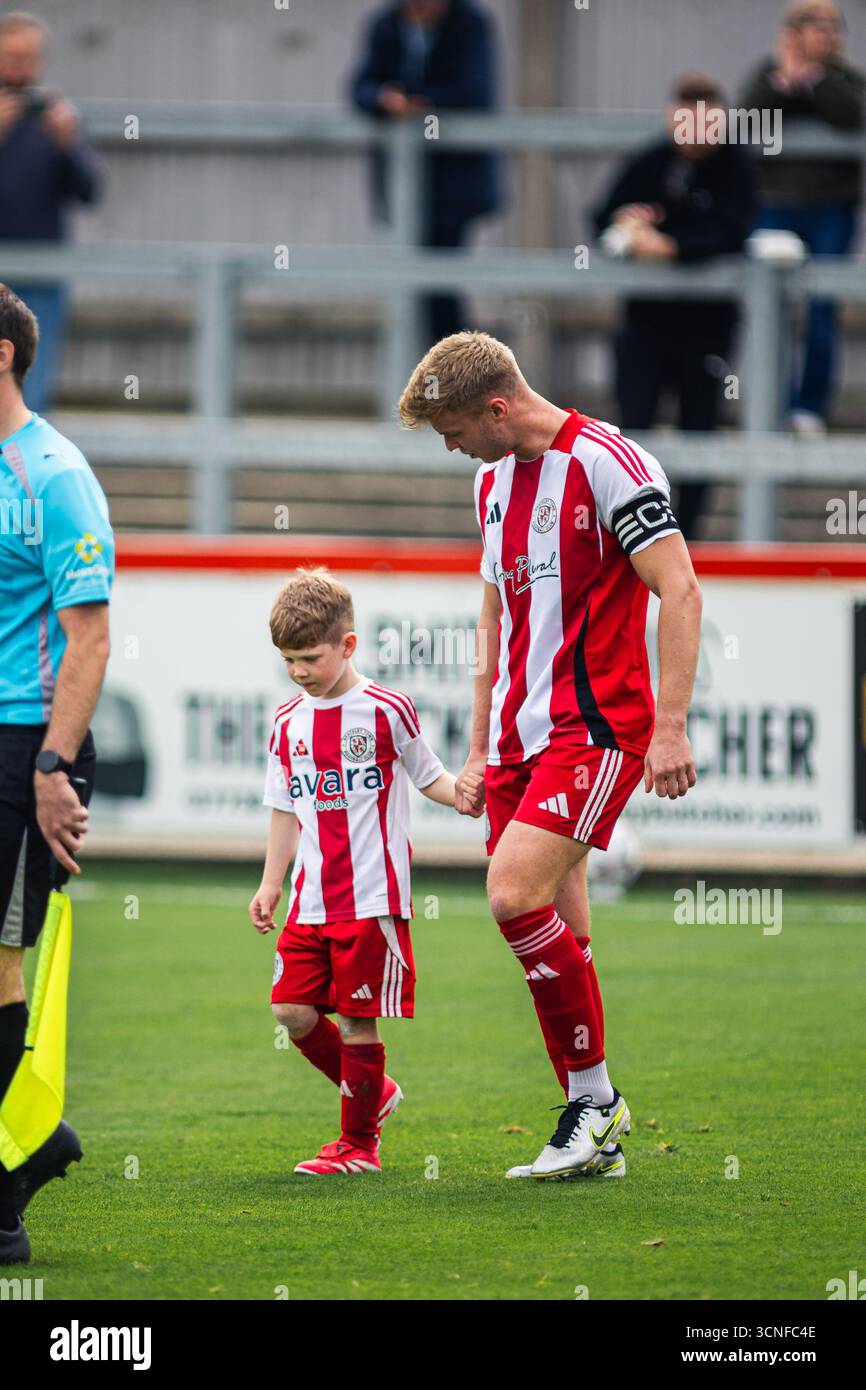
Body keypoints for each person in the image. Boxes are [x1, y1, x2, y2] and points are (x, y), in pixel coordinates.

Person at [399, 332, 701, 1181]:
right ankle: (591, 1125)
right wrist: (475, 743)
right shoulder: (489, 479)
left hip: (596, 727)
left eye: (453, 429)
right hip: (516, 740)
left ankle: (596, 1103)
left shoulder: (611, 462)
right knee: (560, 927)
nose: (449, 445)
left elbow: (678, 587)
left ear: (497, 408)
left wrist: (670, 724)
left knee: (509, 895)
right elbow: (493, 619)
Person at [248, 568, 483, 1177]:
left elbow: (428, 774)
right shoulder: (286, 721)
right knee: (291, 1011)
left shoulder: (386, 710)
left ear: (347, 646)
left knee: (356, 1017)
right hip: (308, 899)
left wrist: (462, 794)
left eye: (309, 658)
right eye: (288, 660)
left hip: (370, 896)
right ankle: (374, 1093)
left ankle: (359, 1146)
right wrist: (271, 882)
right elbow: (284, 807)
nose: (298, 671)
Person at [0, 283, 113, 1264]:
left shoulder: (55, 474)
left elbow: (90, 638)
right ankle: (27, 1151)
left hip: (22, 744)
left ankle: (3, 1193)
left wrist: (48, 766)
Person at [592, 75, 757, 541]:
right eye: (686, 123)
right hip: (645, 324)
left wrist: (671, 247)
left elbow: (733, 230)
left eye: (707, 123)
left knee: (699, 427)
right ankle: (627, 532)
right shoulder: (651, 161)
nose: (696, 134)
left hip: (708, 328)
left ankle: (688, 539)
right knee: (632, 428)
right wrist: (625, 223)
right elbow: (602, 215)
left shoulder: (735, 169)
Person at [739, 0, 865, 434]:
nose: (827, 34)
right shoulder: (766, 76)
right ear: (793, 32)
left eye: (834, 26)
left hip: (832, 209)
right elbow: (749, 120)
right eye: (816, 26)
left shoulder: (848, 81)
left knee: (821, 307)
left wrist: (809, 79)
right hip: (774, 206)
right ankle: (766, 404)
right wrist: (783, 79)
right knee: (767, 303)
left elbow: (850, 117)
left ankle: (809, 407)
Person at [349, 0, 503, 347]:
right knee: (411, 290)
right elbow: (360, 87)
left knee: (440, 290)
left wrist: (419, 102)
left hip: (455, 185)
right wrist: (383, 99)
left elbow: (474, 90)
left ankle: (455, 381)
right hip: (401, 182)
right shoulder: (386, 22)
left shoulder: (469, 22)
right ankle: (433, 382)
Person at [0, 11, 104, 415]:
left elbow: (90, 191)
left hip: (41, 277)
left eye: (27, 58)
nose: (17, 68)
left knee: (30, 390)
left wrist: (69, 145)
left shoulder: (57, 119)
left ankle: (21, 476)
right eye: (10, 56)